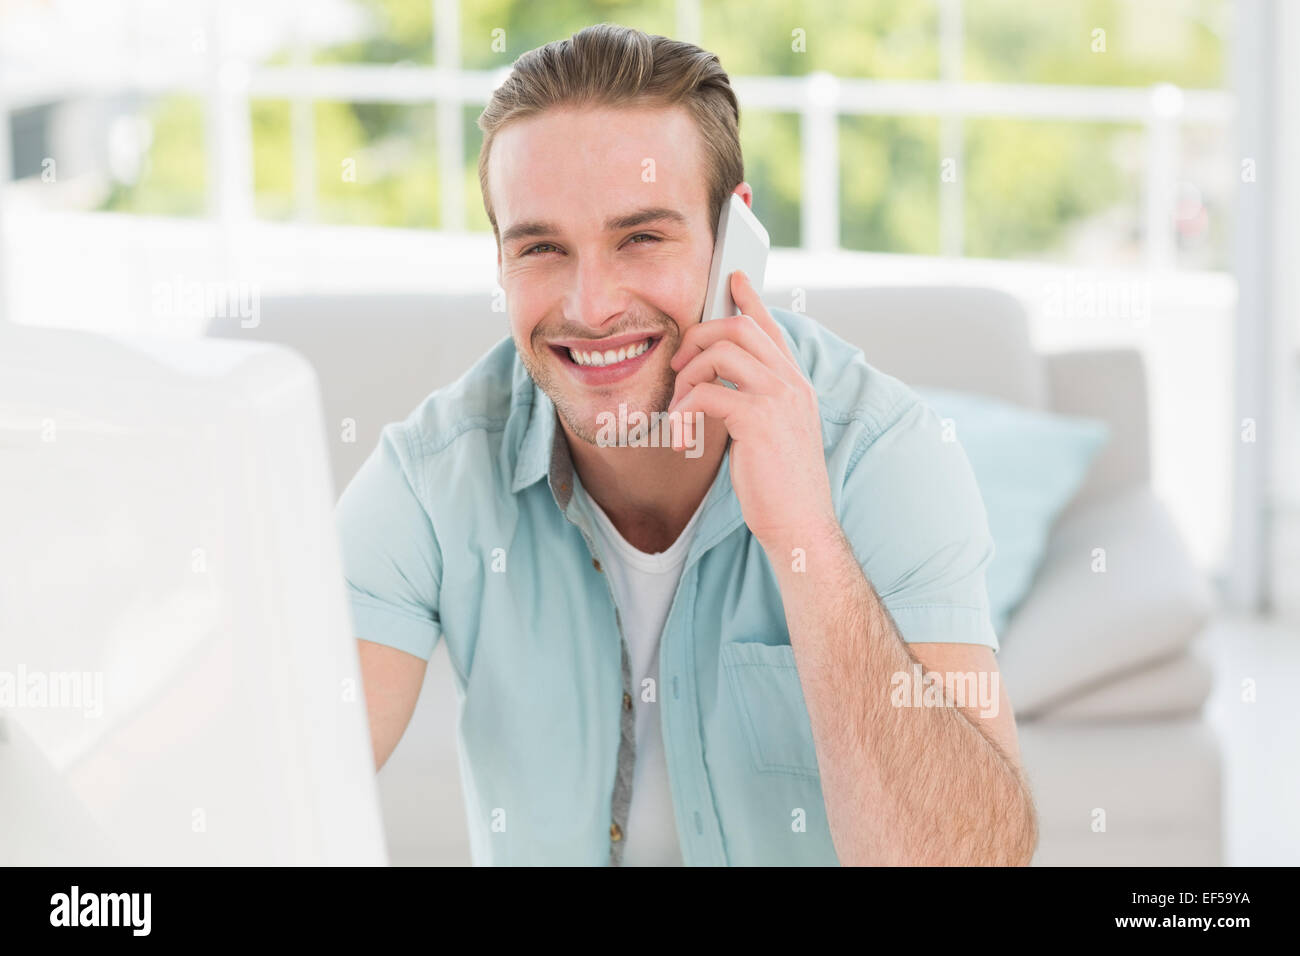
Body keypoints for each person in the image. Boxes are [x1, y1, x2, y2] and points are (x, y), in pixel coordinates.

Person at [336, 22, 1037, 866]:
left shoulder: (886, 456)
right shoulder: (432, 475)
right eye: (542, 248)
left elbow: (972, 861)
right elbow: (286, 770)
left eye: (641, 237)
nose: (591, 307)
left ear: (732, 237)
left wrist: (807, 538)